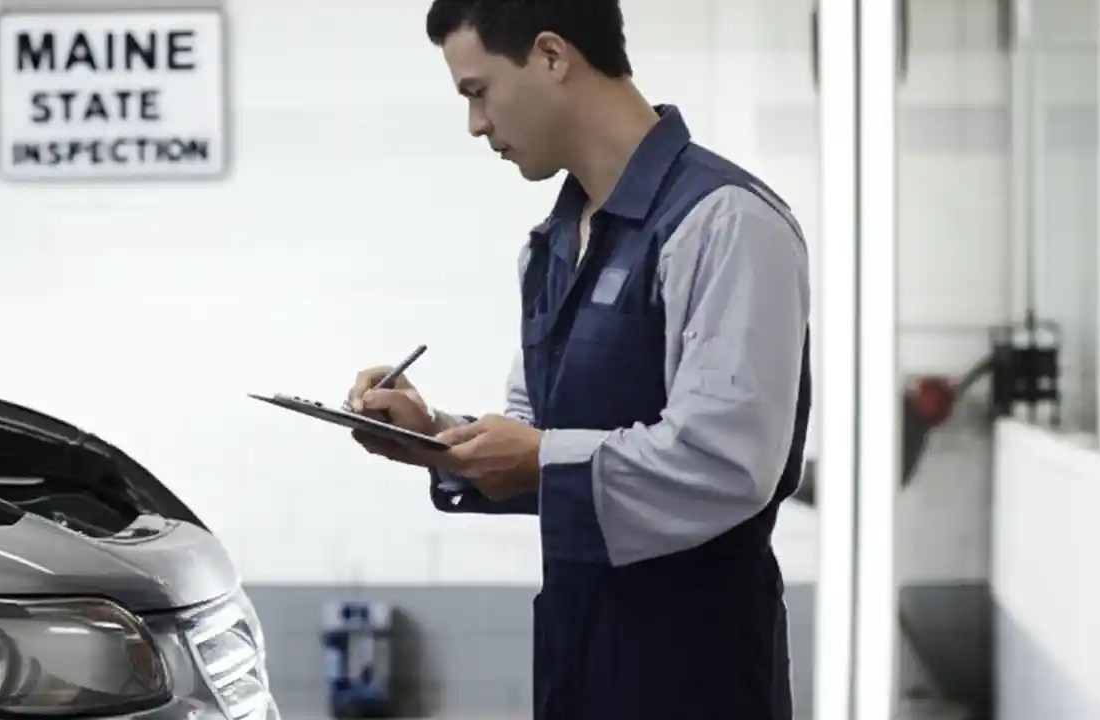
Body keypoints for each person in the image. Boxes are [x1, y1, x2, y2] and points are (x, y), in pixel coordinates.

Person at [345, 1, 811, 718]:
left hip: (698, 670)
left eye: (478, 92)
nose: (476, 125)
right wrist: (434, 435)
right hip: (576, 653)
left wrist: (537, 458)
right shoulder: (553, 242)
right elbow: (537, 428)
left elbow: (727, 461)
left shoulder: (724, 223)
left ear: (553, 57)